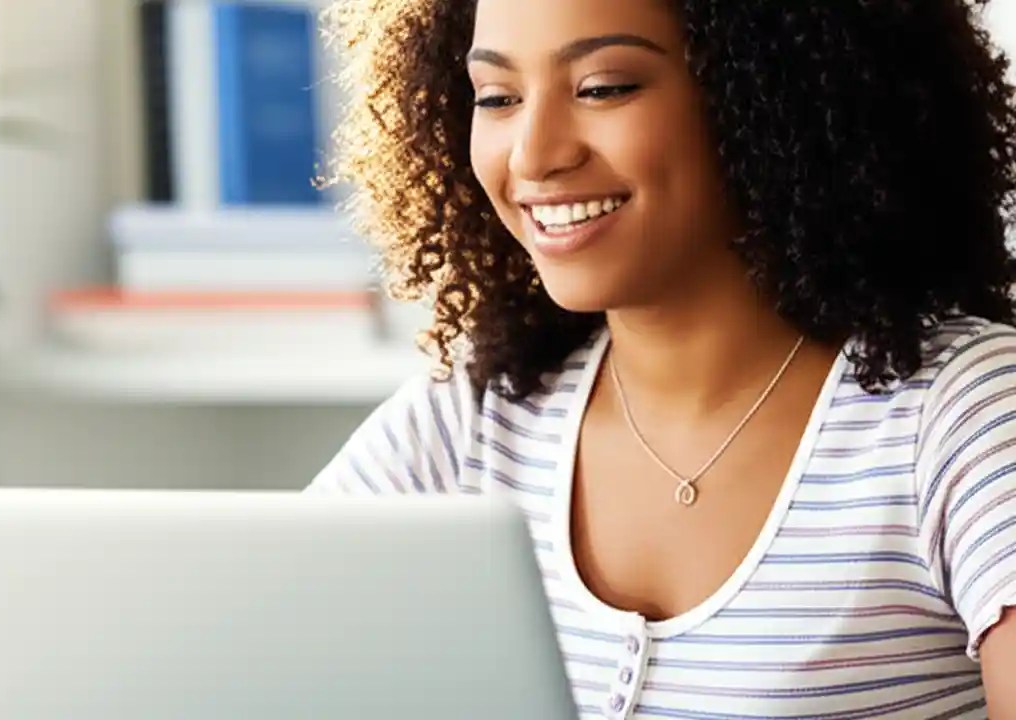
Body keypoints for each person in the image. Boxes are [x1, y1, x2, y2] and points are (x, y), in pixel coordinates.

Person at [303, 0, 1016, 715]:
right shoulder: (474, 420)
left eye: (603, 87)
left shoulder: (967, 418)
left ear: (767, 93)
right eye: (497, 98)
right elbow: (256, 634)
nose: (533, 154)